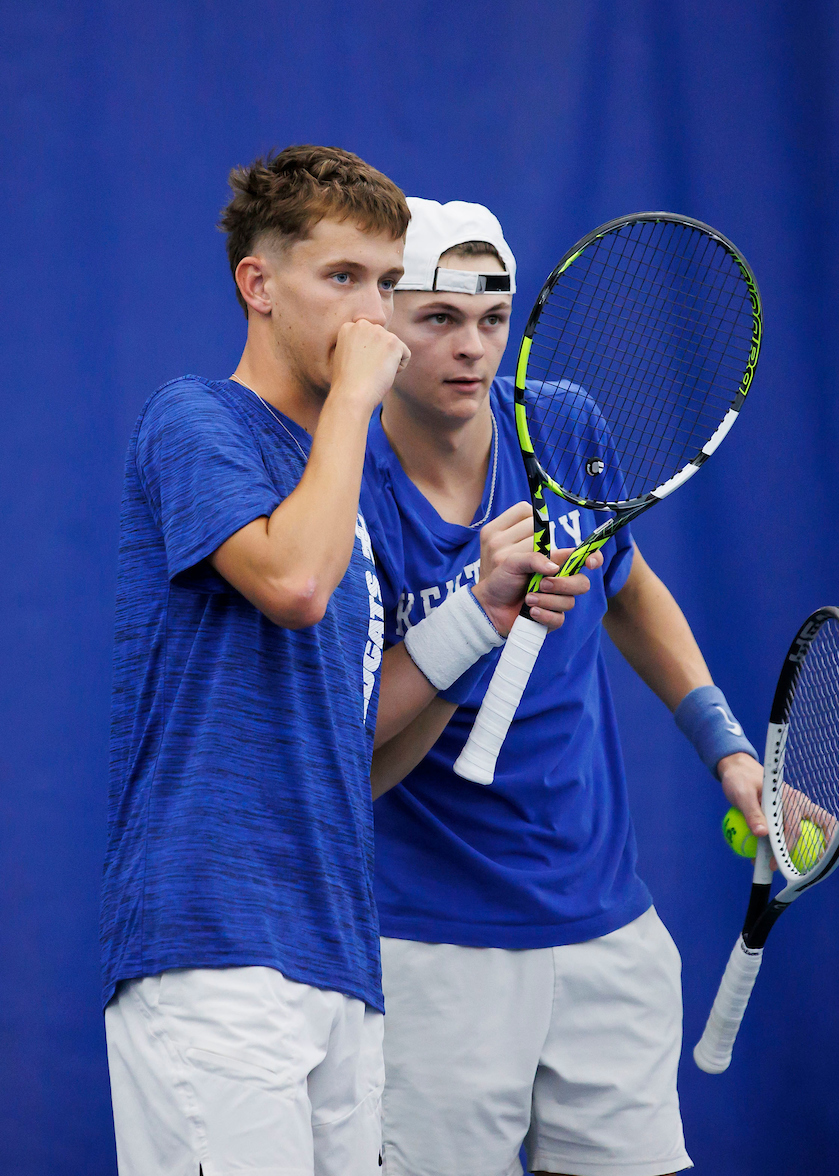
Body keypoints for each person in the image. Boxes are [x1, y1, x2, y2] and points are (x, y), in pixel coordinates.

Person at [99, 152, 588, 1176]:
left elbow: (353, 746)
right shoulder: (195, 420)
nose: (372, 315)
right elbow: (292, 586)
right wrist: (360, 401)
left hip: (337, 957)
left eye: (383, 283)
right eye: (341, 279)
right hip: (213, 952)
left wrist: (480, 617)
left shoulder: (340, 498)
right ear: (259, 285)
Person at [360, 199, 768, 1176]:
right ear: (382, 325)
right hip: (427, 948)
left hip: (604, 923)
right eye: (440, 320)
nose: (472, 347)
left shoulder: (561, 424)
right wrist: (477, 613)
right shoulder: (347, 485)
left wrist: (729, 748)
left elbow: (631, 591)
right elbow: (350, 751)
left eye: (493, 321)